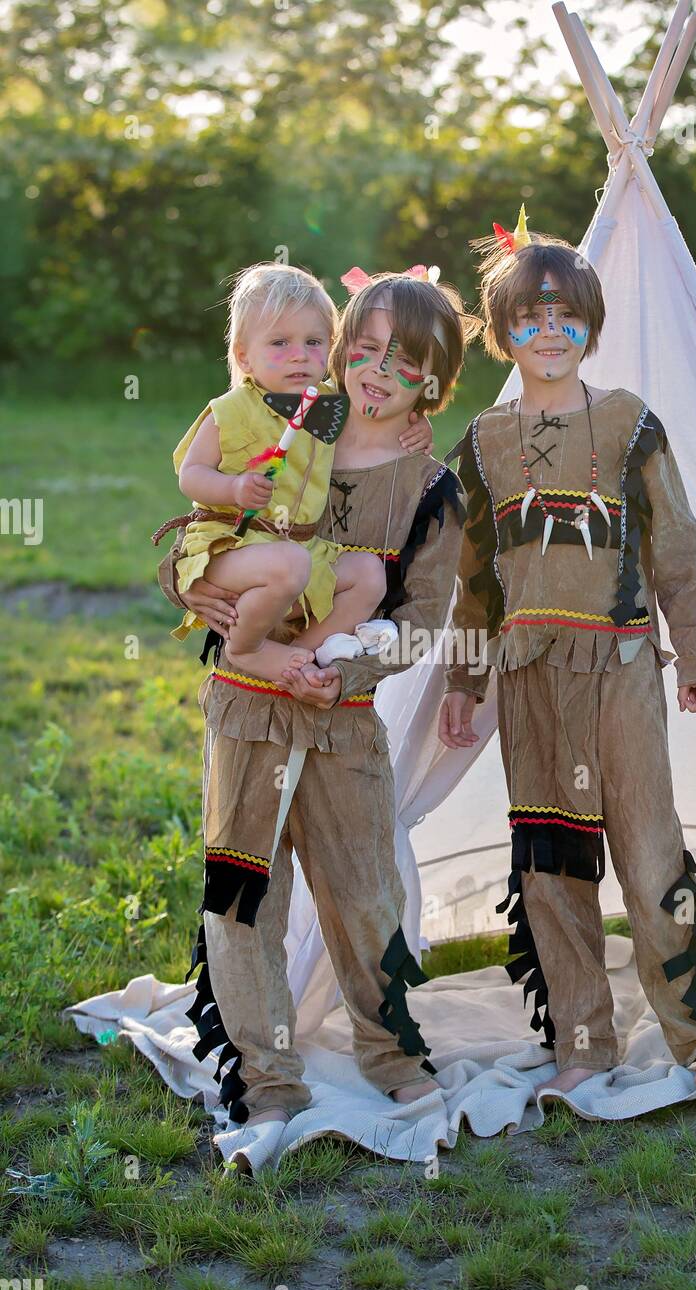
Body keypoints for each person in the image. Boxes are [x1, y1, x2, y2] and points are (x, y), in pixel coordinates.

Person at [156, 266, 478, 1172]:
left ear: (431, 386)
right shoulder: (293, 422)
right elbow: (196, 519)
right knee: (242, 891)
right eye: (362, 350)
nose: (375, 371)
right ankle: (264, 1070)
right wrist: (202, 596)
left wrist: (350, 668)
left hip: (343, 714)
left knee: (365, 887)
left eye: (402, 363)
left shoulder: (430, 486)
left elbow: (421, 620)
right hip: (248, 709)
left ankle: (390, 1049)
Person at [439, 208, 696, 1095]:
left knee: (651, 853)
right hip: (529, 680)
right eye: (528, 318)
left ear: (591, 325)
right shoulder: (484, 446)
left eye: (565, 315)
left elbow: (679, 549)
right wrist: (463, 678)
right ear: (502, 334)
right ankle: (582, 1043)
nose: (548, 330)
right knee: (552, 862)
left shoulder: (629, 424)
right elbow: (472, 579)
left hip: (620, 672)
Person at [161, 261, 431, 684]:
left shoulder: (327, 405)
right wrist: (233, 488)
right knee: (288, 563)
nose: (299, 355)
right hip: (232, 547)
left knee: (368, 575)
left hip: (301, 549)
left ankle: (304, 656)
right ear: (244, 356)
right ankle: (246, 649)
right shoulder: (230, 411)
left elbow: (379, 413)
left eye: (313, 342)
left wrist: (416, 422)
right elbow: (190, 475)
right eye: (280, 343)